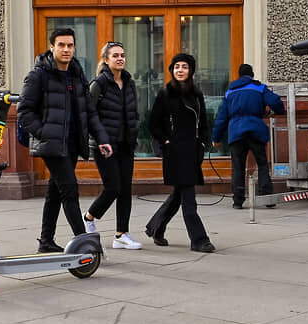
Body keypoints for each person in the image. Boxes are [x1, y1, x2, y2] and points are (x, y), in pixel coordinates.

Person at [18, 27, 112, 253]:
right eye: (61, 45)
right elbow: (24, 112)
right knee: (69, 190)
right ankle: (86, 244)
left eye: (70, 45)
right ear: (52, 47)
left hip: (70, 145)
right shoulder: (38, 75)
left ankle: (46, 241)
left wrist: (101, 138)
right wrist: (44, 132)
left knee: (55, 191)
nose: (66, 49)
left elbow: (90, 112)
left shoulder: (77, 75)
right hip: (51, 145)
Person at [144, 53, 216, 253]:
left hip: (192, 152)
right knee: (188, 197)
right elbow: (153, 124)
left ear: (190, 70)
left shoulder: (197, 94)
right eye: (177, 67)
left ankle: (155, 228)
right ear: (172, 71)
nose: (180, 70)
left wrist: (202, 144)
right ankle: (199, 240)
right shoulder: (165, 94)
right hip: (174, 152)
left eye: (184, 67)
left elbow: (203, 123)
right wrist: (166, 141)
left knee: (178, 195)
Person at [83, 41, 142, 250]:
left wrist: (135, 131)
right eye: (115, 55)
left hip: (126, 144)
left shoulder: (129, 82)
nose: (120, 58)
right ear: (106, 59)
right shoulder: (98, 84)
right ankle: (89, 216)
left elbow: (133, 112)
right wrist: (99, 140)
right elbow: (90, 115)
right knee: (113, 187)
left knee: (125, 189)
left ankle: (121, 234)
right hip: (104, 145)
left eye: (122, 55)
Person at [211, 63, 285, 209]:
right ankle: (267, 198)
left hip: (236, 132)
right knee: (262, 164)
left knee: (238, 166)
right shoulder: (259, 88)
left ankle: (238, 201)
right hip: (256, 129)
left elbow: (221, 117)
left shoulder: (230, 92)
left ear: (239, 75)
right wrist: (279, 110)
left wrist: (216, 138)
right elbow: (275, 101)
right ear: (251, 75)